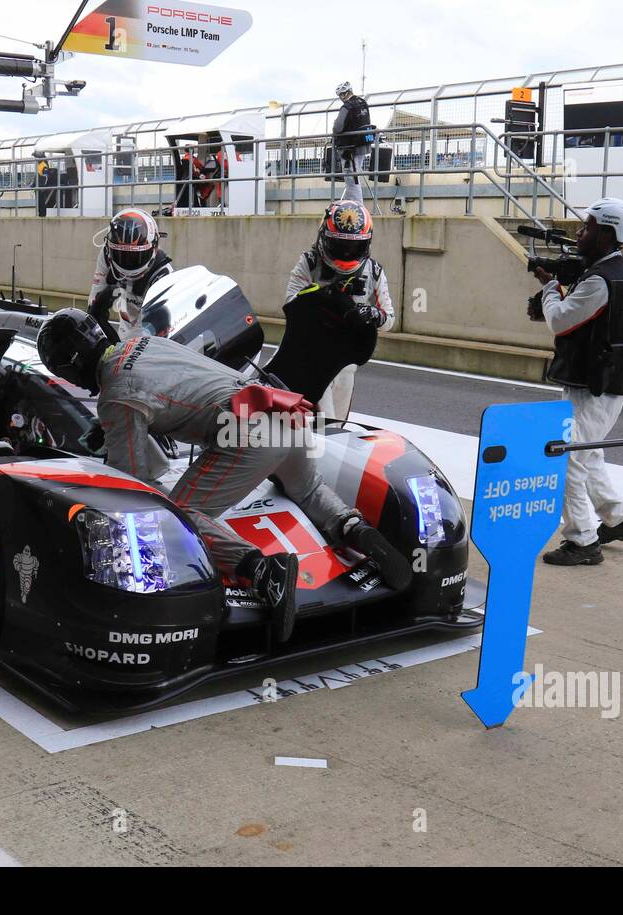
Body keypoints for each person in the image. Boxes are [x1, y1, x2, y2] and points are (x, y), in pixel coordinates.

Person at [36, 310, 413, 645]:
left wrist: (112, 440)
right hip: (283, 411)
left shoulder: (116, 395)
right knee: (307, 487)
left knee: (177, 516)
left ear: (69, 366)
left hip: (249, 436)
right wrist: (118, 425)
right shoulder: (142, 343)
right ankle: (356, 530)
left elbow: (132, 483)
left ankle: (264, 570)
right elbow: (175, 388)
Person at [533, 197, 623, 566]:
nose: (580, 232)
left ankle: (582, 541)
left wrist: (549, 289)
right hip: (604, 380)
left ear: (607, 234)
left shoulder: (599, 279)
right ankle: (617, 519)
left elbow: (561, 320)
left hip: (595, 385)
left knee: (568, 460)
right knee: (588, 453)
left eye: (588, 226)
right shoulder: (618, 271)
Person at [268, 189, 393, 421]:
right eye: (339, 244)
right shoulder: (309, 262)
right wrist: (323, 296)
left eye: (353, 247)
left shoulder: (374, 271)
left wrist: (373, 314)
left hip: (346, 359)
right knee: (325, 421)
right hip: (310, 352)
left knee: (339, 423)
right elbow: (290, 304)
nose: (346, 252)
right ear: (325, 237)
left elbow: (389, 319)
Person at [87, 208, 174, 339]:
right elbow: (92, 309)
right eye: (122, 254)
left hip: (150, 340)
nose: (128, 261)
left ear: (153, 247)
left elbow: (159, 330)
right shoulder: (106, 255)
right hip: (123, 332)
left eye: (134, 257)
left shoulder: (163, 274)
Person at [333, 81, 373, 185]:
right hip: (363, 144)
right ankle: (352, 200)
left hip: (350, 148)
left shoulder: (347, 106)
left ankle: (356, 201)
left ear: (346, 93)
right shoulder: (363, 102)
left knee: (352, 180)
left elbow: (337, 127)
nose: (341, 98)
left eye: (342, 94)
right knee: (355, 176)